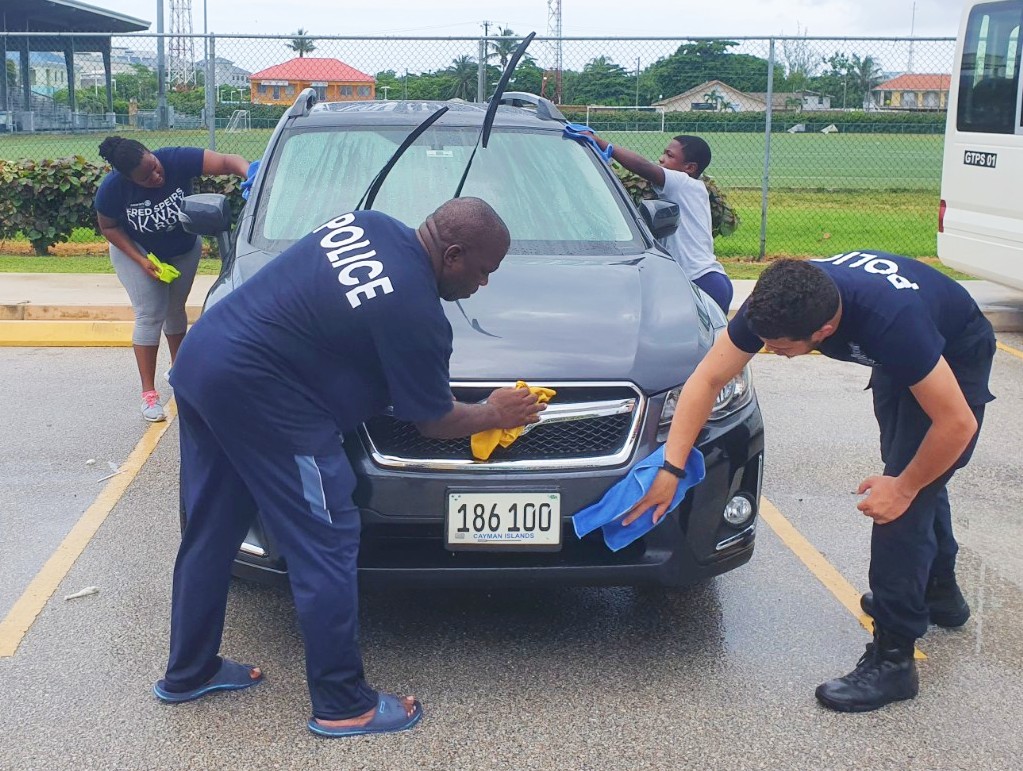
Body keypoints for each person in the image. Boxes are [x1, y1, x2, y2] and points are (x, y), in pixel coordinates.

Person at [154, 198, 546, 738]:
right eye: (483, 270)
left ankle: (188, 671)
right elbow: (432, 421)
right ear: (453, 255)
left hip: (204, 363)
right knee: (327, 538)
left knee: (211, 529)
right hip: (267, 397)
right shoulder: (417, 311)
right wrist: (495, 412)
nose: (483, 284)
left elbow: (329, 313)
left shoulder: (369, 224)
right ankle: (343, 704)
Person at [621, 251, 994, 713]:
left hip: (956, 351)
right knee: (907, 468)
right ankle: (939, 593)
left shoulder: (895, 324)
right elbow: (707, 379)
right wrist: (670, 469)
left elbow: (956, 425)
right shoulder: (777, 300)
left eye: (779, 346)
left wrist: (904, 487)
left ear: (824, 333)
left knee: (902, 497)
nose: (770, 351)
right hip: (903, 361)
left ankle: (894, 660)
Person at [94, 136, 250, 422]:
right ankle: (148, 394)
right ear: (128, 178)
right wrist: (141, 261)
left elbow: (227, 161)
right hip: (137, 251)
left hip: (183, 249)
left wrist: (251, 173)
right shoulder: (112, 189)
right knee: (150, 314)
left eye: (154, 166)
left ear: (152, 154)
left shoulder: (175, 159)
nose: (156, 176)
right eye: (145, 177)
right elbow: (109, 227)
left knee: (175, 311)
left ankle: (180, 375)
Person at [584, 131, 733, 315]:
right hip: (710, 280)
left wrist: (602, 144)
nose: (661, 159)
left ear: (689, 167)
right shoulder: (689, 190)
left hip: (702, 281)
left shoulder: (683, 184)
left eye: (669, 155)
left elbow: (643, 166)